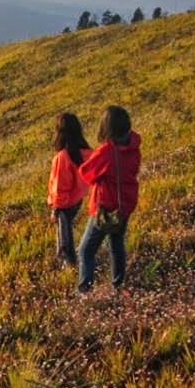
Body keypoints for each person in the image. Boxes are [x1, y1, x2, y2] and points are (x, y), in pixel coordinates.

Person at [76, 105, 141, 292]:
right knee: (116, 243)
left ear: (106, 127)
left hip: (105, 207)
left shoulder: (106, 152)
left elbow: (86, 174)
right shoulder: (133, 146)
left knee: (86, 250)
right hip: (125, 206)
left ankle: (85, 290)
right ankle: (118, 284)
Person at [47, 113, 92, 267]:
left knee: (64, 242)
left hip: (64, 203)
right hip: (77, 199)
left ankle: (69, 266)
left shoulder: (62, 157)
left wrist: (56, 208)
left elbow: (60, 186)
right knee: (67, 235)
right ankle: (71, 262)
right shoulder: (86, 153)